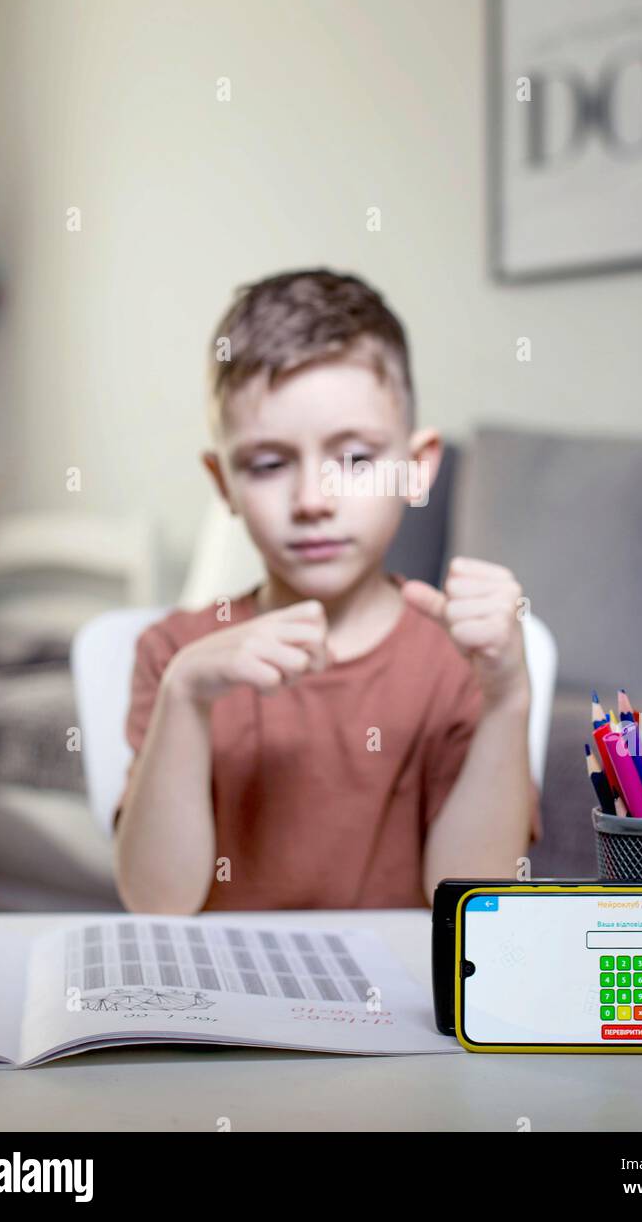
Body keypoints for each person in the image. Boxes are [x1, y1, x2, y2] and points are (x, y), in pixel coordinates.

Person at [113, 268, 534, 913]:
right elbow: (156, 901)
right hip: (220, 1007)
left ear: (416, 469)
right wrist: (184, 695)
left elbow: (478, 903)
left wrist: (506, 700)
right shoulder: (176, 654)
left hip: (395, 1008)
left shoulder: (458, 661)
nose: (313, 500)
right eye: (268, 464)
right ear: (222, 481)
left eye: (356, 459)